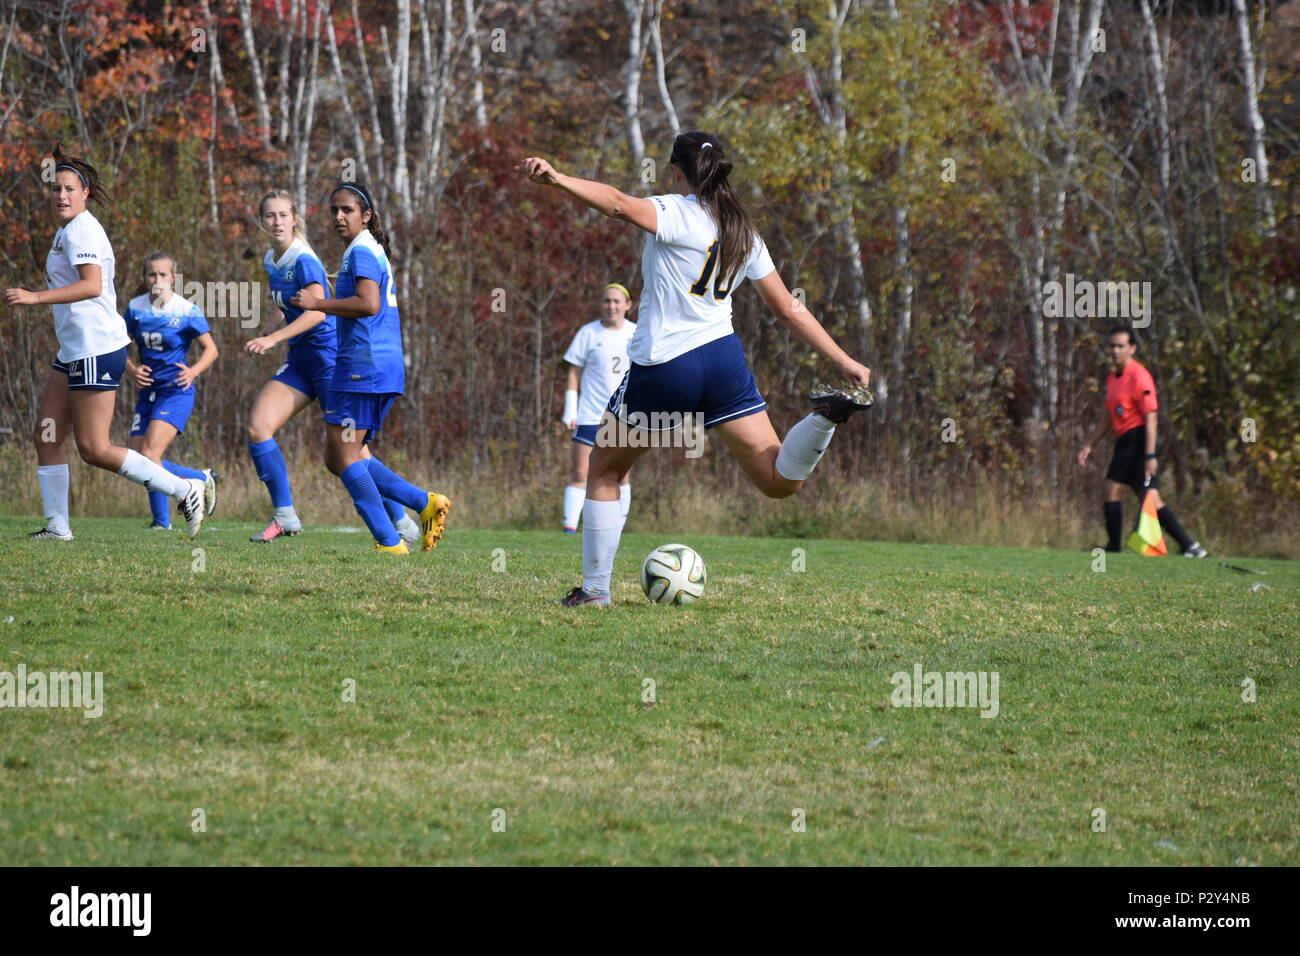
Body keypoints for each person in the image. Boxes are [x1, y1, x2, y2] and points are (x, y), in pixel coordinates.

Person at [518, 131, 874, 607]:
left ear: (677, 172)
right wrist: (844, 359)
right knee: (776, 480)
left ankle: (594, 592)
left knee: (603, 469)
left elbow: (620, 205)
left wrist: (558, 179)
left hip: (668, 367)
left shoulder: (677, 211)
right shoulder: (743, 230)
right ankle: (825, 418)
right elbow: (788, 309)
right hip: (723, 363)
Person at [4, 145, 207, 540]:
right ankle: (58, 528)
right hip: (74, 349)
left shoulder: (82, 228)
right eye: (56, 188)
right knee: (46, 434)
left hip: (96, 347)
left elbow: (91, 285)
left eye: (69, 188)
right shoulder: (67, 229)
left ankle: (186, 489)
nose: (61, 195)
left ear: (85, 193)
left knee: (94, 449)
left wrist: (34, 297)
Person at [243, 190, 421, 546]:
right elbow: (289, 303)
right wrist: (269, 324)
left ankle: (403, 521)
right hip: (300, 362)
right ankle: (285, 515)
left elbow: (316, 309)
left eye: (283, 215)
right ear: (262, 222)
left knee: (349, 454)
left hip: (327, 359)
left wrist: (274, 339)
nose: (276, 222)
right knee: (258, 427)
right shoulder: (271, 259)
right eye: (269, 216)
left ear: (296, 219)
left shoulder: (304, 259)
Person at [289, 182, 450, 553]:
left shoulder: (361, 251)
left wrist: (318, 303)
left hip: (364, 366)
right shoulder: (365, 250)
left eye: (347, 210)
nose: (338, 217)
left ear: (367, 215)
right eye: (333, 210)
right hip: (377, 366)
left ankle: (389, 541)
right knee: (344, 454)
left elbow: (368, 304)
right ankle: (425, 504)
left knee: (345, 455)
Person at [1077, 325, 1207, 556]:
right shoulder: (1112, 379)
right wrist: (1090, 444)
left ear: (1132, 349)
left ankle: (1115, 548)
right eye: (1112, 346)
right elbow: (1108, 416)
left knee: (1112, 489)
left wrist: (1149, 456)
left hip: (1138, 441)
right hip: (1125, 440)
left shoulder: (1140, 377)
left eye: (1120, 346)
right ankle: (1190, 546)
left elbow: (1151, 419)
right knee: (1150, 498)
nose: (1115, 351)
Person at [123, 252, 219, 530]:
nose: (157, 280)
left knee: (151, 453)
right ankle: (199, 479)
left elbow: (211, 350)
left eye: (163, 275)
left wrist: (192, 371)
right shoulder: (135, 308)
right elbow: (118, 344)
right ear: (145, 277)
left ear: (173, 278)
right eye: (152, 274)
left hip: (176, 391)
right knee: (139, 457)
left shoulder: (186, 310)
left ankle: (161, 522)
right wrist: (131, 370)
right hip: (148, 393)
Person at [561, 282, 636, 533]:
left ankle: (618, 527)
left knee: (621, 474)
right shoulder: (588, 334)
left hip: (623, 417)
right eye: (607, 301)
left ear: (628, 305)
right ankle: (569, 527)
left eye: (616, 301)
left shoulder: (638, 333)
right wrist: (570, 410)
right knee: (581, 472)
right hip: (591, 415)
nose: (611, 306)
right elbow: (573, 372)